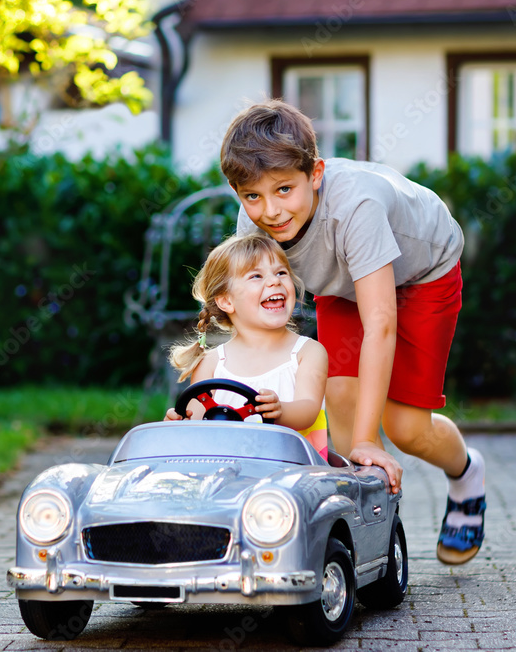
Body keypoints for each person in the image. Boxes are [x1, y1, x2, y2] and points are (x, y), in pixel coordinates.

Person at [220, 99, 485, 565]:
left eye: (285, 189)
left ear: (315, 173)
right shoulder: (255, 223)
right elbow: (255, 319)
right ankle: (367, 532)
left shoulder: (354, 207)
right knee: (339, 396)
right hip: (341, 280)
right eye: (253, 196)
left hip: (423, 271)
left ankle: (467, 475)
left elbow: (380, 321)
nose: (271, 210)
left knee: (405, 427)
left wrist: (368, 436)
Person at [163, 232, 329, 460]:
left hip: (294, 474)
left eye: (281, 272)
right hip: (226, 475)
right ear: (226, 301)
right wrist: (179, 426)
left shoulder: (307, 352)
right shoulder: (211, 364)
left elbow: (308, 410)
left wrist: (280, 410)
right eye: (256, 276)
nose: (274, 281)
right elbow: (196, 427)